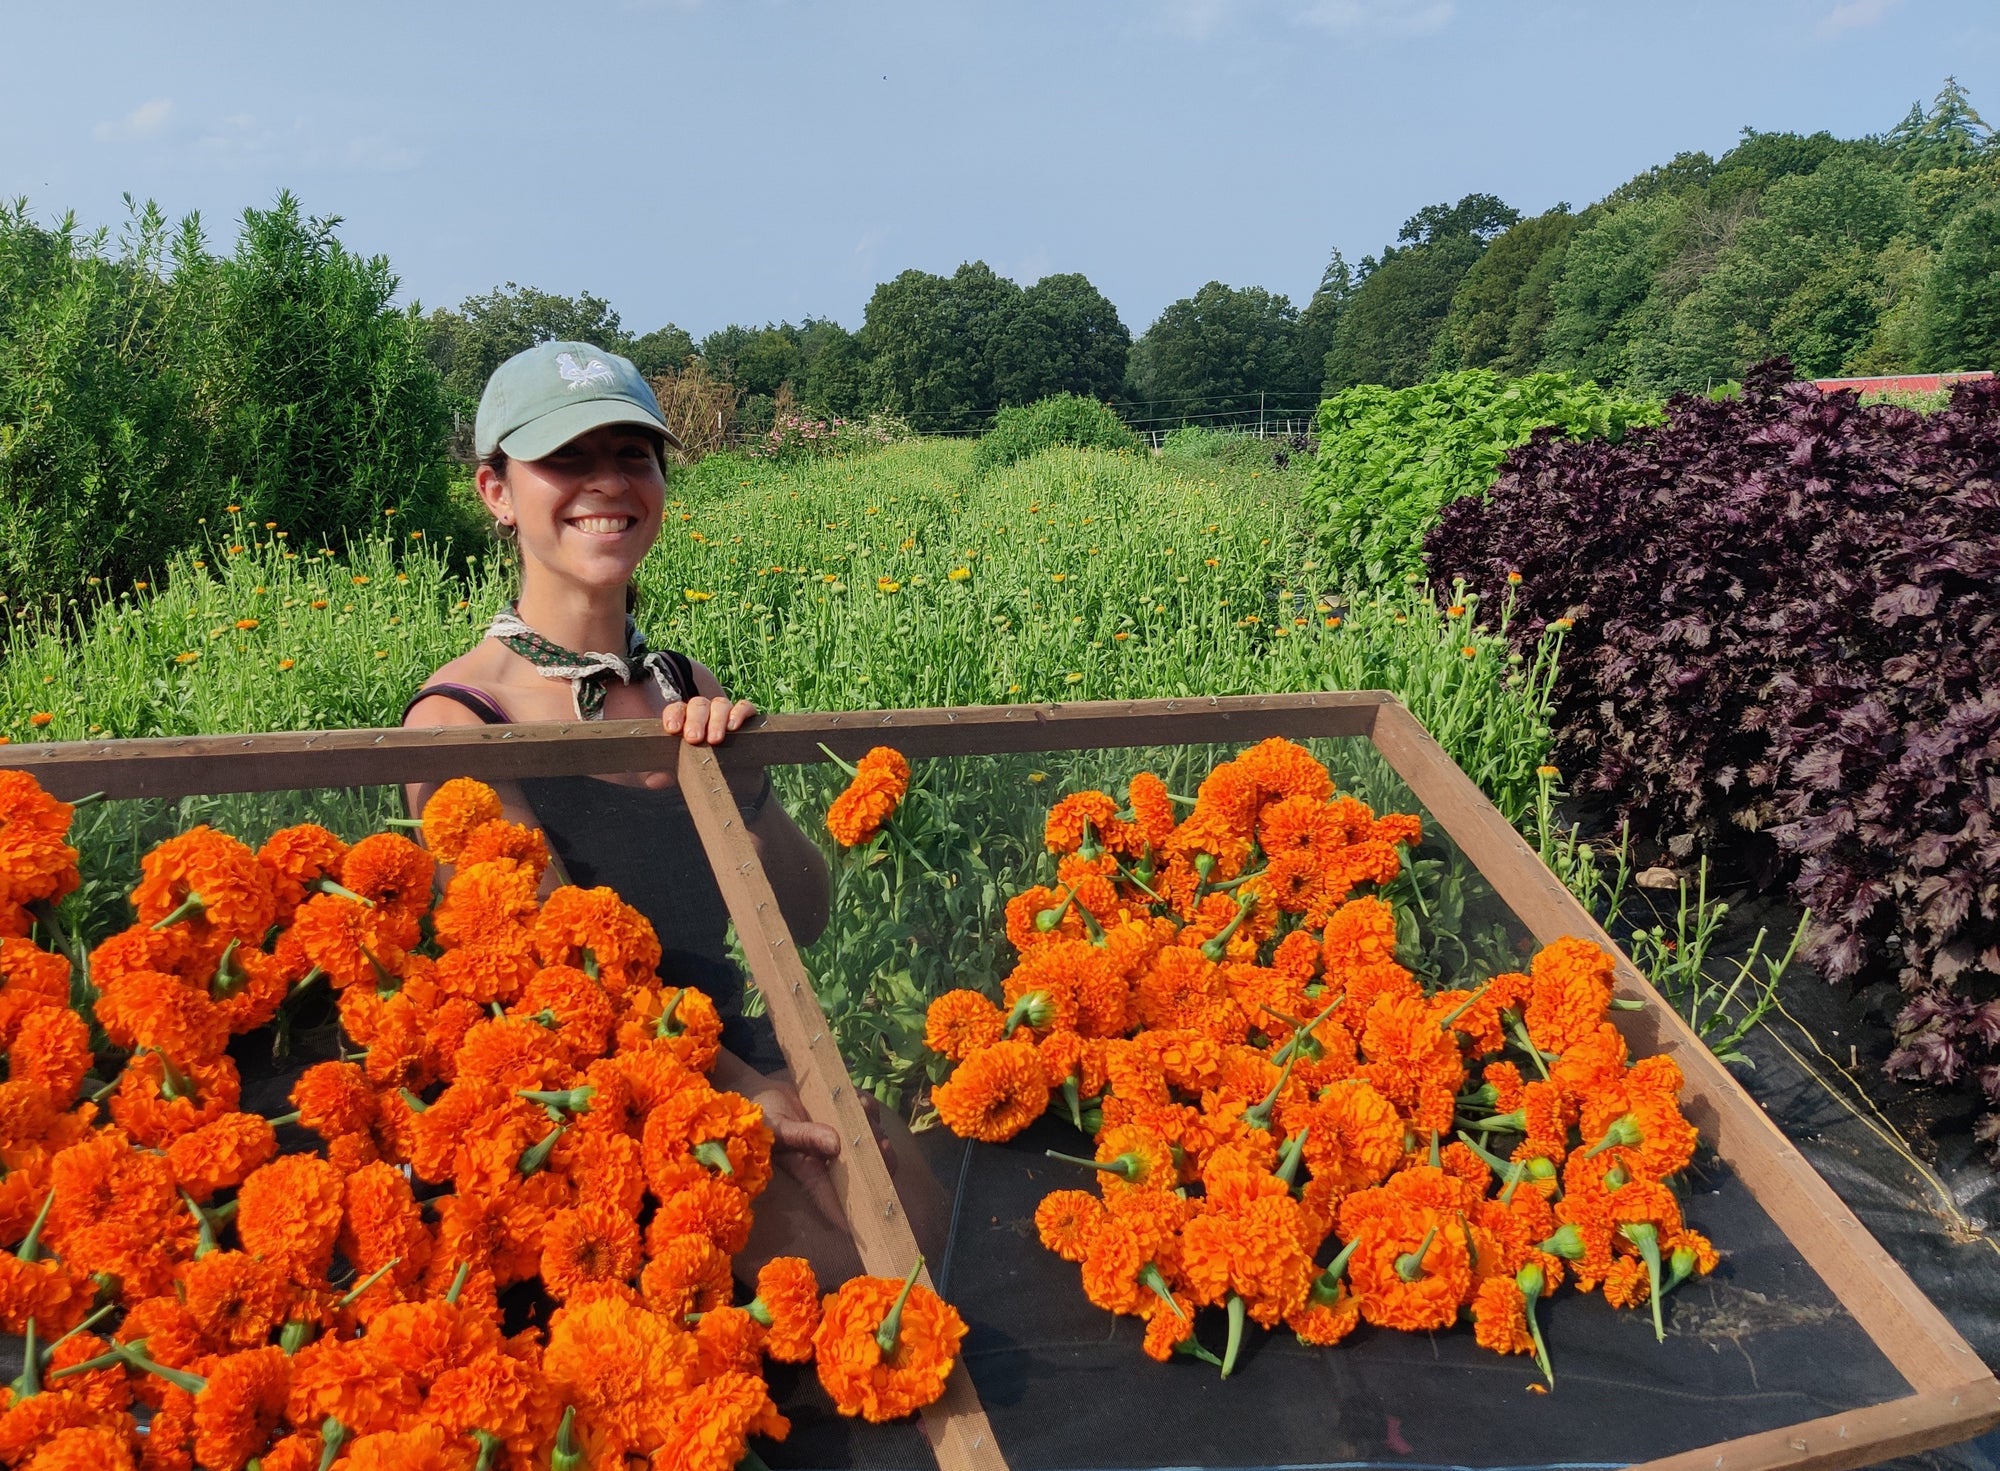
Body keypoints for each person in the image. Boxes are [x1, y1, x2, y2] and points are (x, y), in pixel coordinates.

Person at [403, 340, 901, 1279]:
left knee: (903, 1181)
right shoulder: (461, 720)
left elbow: (805, 916)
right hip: (582, 1108)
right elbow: (564, 978)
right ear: (496, 492)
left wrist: (739, 782)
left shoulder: (686, 682)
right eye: (567, 459)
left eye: (632, 454)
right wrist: (750, 1092)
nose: (608, 483)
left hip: (727, 1049)